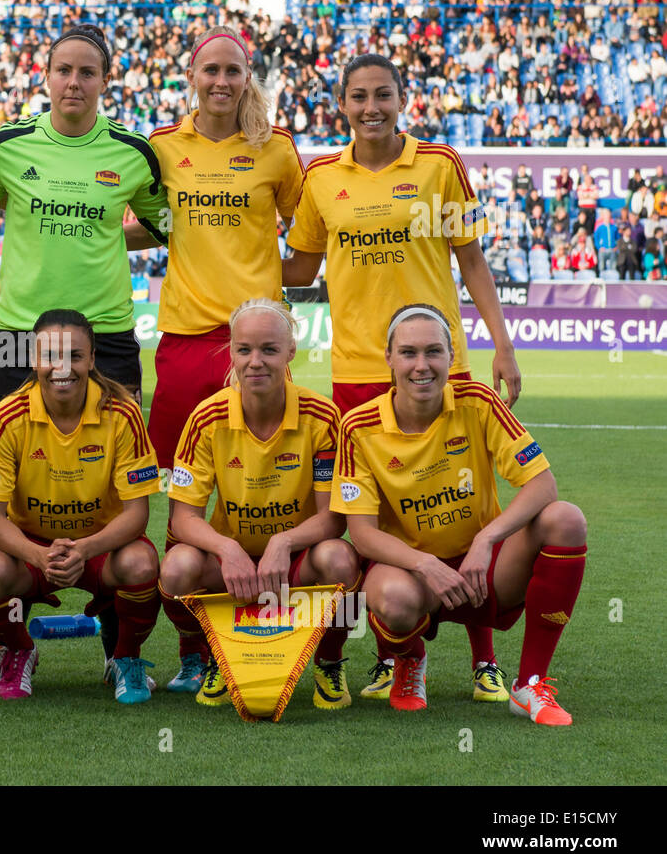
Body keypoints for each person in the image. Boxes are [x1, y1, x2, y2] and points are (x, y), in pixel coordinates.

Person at [284, 52, 521, 702]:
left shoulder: (440, 165)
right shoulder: (321, 177)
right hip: (358, 374)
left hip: (440, 367)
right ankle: (399, 655)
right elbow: (297, 271)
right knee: (371, 520)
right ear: (341, 104)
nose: (371, 107)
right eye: (357, 96)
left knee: (465, 508)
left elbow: (470, 258)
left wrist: (502, 345)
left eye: (382, 94)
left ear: (402, 98)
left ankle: (484, 659)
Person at [333, 304, 587, 723]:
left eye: (434, 352)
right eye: (409, 352)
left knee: (566, 518)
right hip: (413, 575)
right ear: (389, 358)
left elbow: (543, 485)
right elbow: (360, 533)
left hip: (483, 573)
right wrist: (425, 564)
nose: (422, 366)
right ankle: (411, 662)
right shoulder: (358, 426)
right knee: (393, 600)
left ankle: (529, 685)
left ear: (451, 357)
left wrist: (487, 540)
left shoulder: (479, 401)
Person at [0, 24, 170, 409]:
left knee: (118, 461)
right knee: (14, 462)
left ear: (105, 81)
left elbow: (167, 228)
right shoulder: (6, 147)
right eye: (63, 71)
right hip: (22, 333)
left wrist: (102, 233)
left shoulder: (134, 153)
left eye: (87, 73)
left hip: (106, 334)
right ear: (46, 77)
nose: (74, 83)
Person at [160, 298, 360, 704]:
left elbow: (332, 519)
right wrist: (226, 548)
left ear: (290, 353)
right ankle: (214, 654)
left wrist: (283, 542)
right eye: (244, 349)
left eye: (269, 350)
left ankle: (330, 663)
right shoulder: (206, 418)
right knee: (177, 567)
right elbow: (183, 519)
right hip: (230, 570)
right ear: (230, 351)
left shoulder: (322, 417)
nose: (255, 362)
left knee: (340, 558)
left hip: (294, 566)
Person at [130, 26, 304, 475]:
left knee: (262, 469)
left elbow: (309, 233)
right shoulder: (162, 145)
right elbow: (155, 228)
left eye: (233, 70)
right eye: (211, 70)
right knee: (171, 471)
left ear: (248, 78)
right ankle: (176, 546)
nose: (221, 81)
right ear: (191, 75)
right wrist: (87, 230)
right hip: (184, 335)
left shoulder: (277, 147)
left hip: (257, 339)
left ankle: (257, 547)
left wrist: (272, 271)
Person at [0, 309, 162, 704]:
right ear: (34, 359)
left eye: (74, 356)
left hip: (101, 548)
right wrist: (39, 555)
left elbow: (137, 513)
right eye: (50, 356)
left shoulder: (122, 412)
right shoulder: (7, 416)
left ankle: (124, 658)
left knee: (141, 564)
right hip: (32, 549)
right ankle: (20, 650)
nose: (63, 368)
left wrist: (86, 549)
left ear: (92, 359)